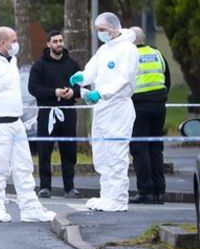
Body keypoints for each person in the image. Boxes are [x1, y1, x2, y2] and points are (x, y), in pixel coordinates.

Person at [0, 27, 56, 223]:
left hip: (15, 121)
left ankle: (30, 208)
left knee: (24, 166)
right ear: (2, 43)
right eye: (13, 40)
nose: (17, 43)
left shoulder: (11, 60)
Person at [70, 13, 139, 212]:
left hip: (118, 106)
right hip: (102, 108)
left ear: (114, 28)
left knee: (115, 152)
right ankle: (107, 195)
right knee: (101, 152)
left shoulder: (128, 49)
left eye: (102, 29)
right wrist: (81, 77)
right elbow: (92, 70)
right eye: (98, 29)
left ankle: (118, 198)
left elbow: (124, 79)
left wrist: (102, 92)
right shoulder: (104, 50)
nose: (100, 33)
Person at [27, 30, 82, 199]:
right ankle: (45, 187)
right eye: (55, 41)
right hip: (46, 113)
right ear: (48, 44)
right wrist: (54, 92)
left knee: (69, 151)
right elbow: (33, 88)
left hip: (68, 112)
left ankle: (70, 187)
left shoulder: (72, 65)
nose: (59, 44)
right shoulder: (39, 66)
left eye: (60, 41)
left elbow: (82, 86)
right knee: (44, 150)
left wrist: (72, 92)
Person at [128, 26, 170, 205]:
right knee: (155, 148)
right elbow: (167, 78)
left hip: (139, 106)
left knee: (139, 148)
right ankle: (159, 191)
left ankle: (145, 191)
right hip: (159, 104)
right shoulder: (157, 53)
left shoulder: (130, 57)